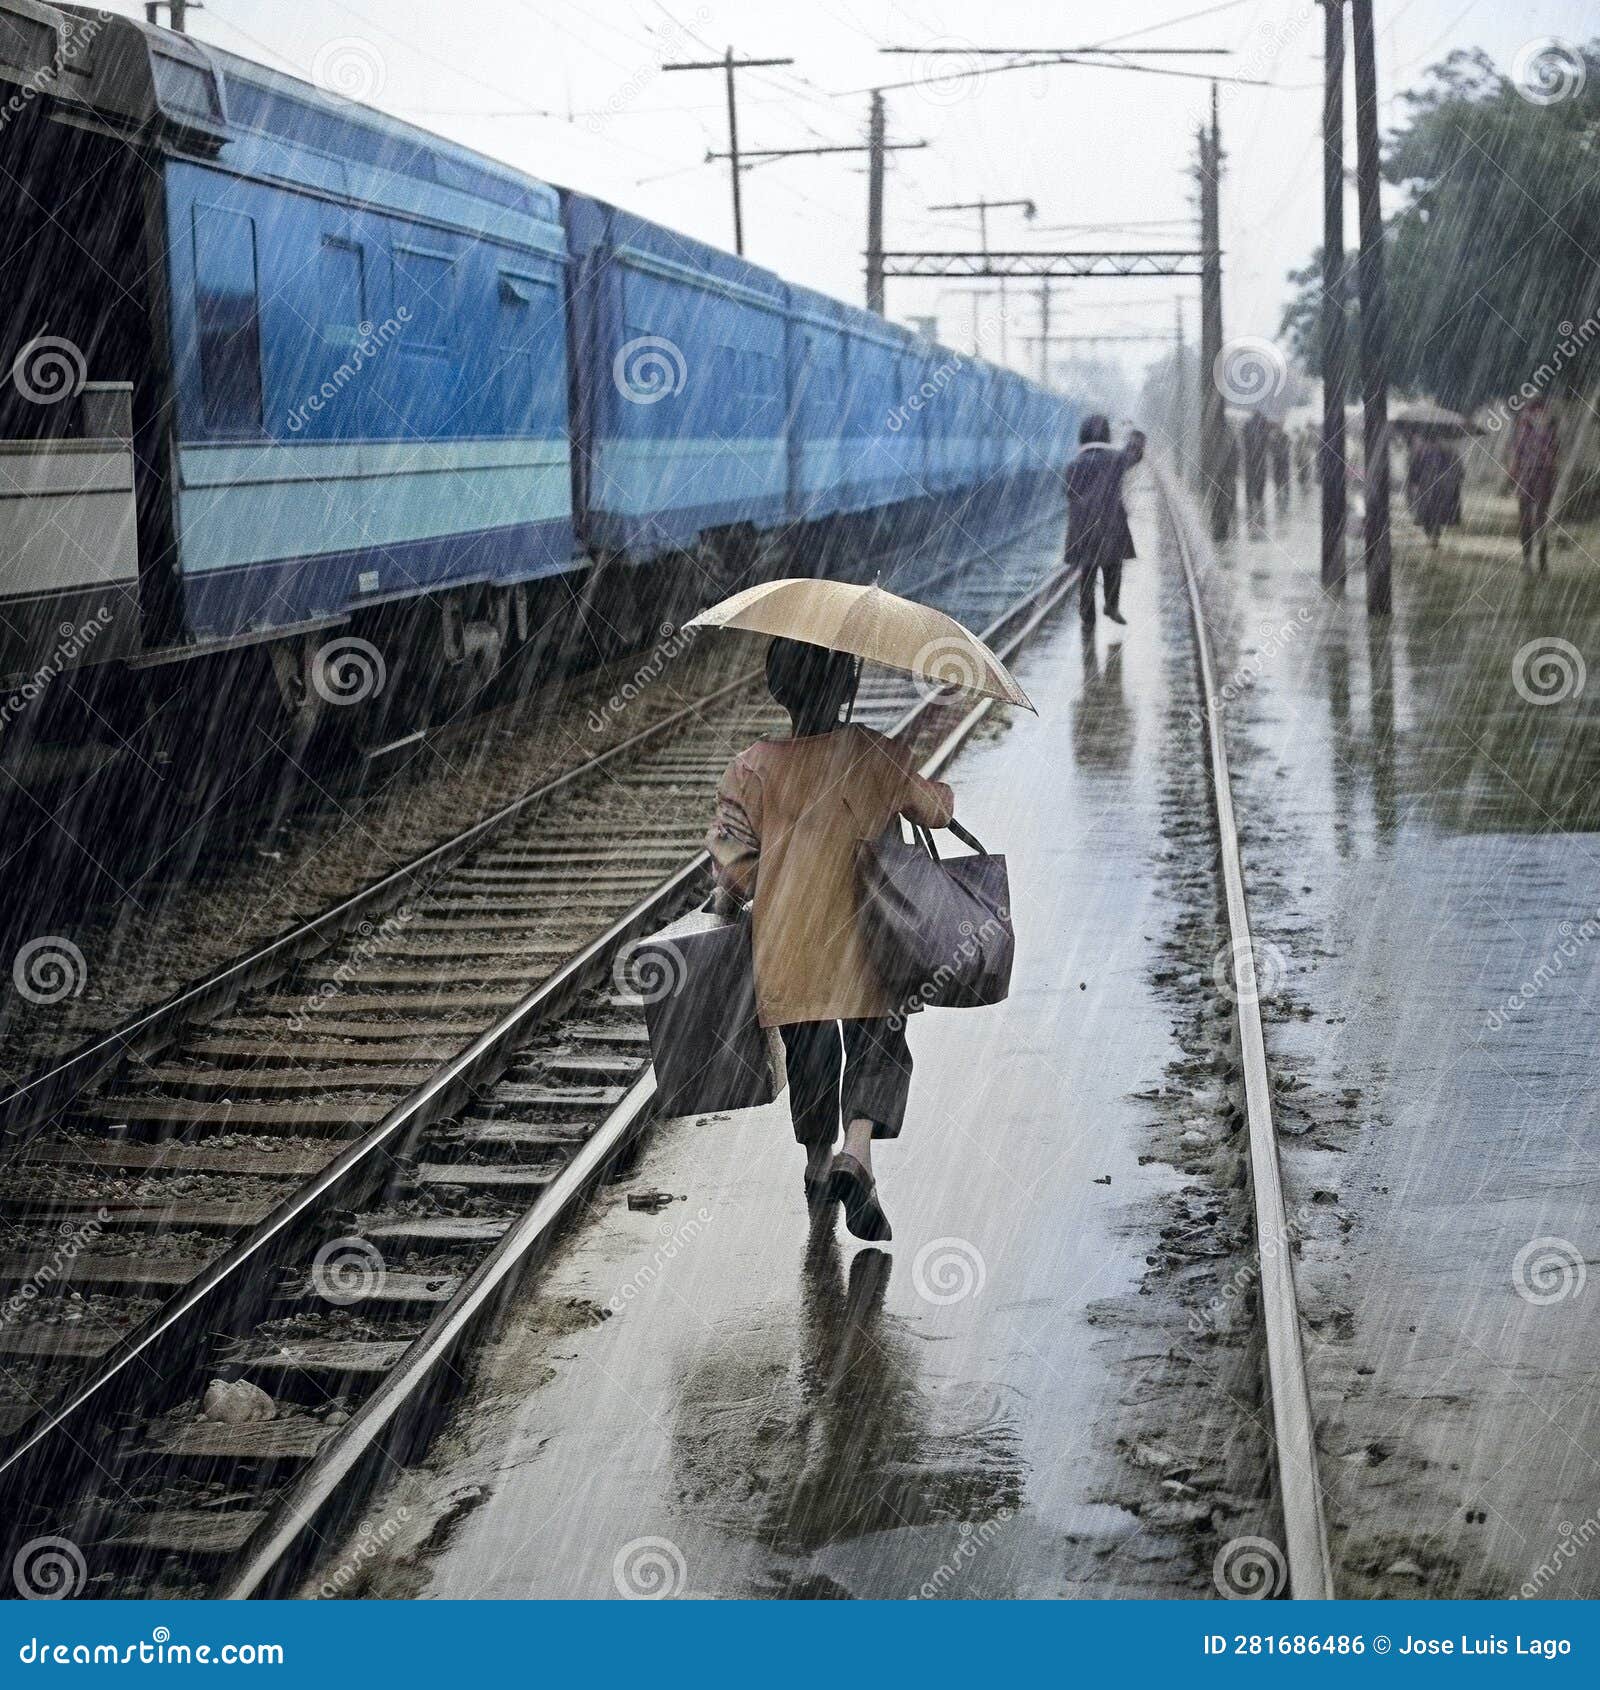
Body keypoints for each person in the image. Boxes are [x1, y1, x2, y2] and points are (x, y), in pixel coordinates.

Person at [705, 637, 955, 1242]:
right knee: (880, 1038)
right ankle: (859, 1151)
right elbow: (936, 811)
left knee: (810, 1050)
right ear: (848, 687)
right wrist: (924, 789)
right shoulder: (874, 753)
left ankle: (818, 1163)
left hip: (790, 943)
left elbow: (734, 869)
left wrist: (743, 891)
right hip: (870, 935)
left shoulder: (750, 768)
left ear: (778, 690)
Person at [1064, 414, 1145, 628]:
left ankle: (1087, 616)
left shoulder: (1074, 465)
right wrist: (1134, 431)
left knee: (1087, 573)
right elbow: (1134, 453)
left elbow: (1068, 492)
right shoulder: (1115, 460)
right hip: (1111, 526)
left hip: (1084, 529)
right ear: (1106, 435)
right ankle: (1111, 606)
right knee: (1113, 568)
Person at [1510, 397, 1559, 574]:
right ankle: (1542, 560)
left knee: (1526, 518)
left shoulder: (1524, 423)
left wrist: (1514, 471)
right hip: (1543, 476)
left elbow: (1517, 451)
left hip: (1529, 476)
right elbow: (1554, 454)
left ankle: (1528, 559)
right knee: (1540, 518)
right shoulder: (1551, 424)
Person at [1405, 435, 1461, 547]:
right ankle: (1434, 535)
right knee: (1435, 512)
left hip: (1428, 486)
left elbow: (1414, 471)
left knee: (1429, 513)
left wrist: (1414, 482)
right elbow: (1458, 469)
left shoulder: (1421, 452)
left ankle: (1432, 535)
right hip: (1442, 487)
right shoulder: (1448, 451)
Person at [1241, 412, 1271, 535]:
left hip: (1251, 462)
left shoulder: (1248, 426)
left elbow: (1244, 442)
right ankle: (1257, 505)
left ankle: (1250, 506)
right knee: (1259, 486)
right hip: (1259, 462)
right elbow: (1266, 443)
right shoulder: (1263, 427)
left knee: (1250, 485)